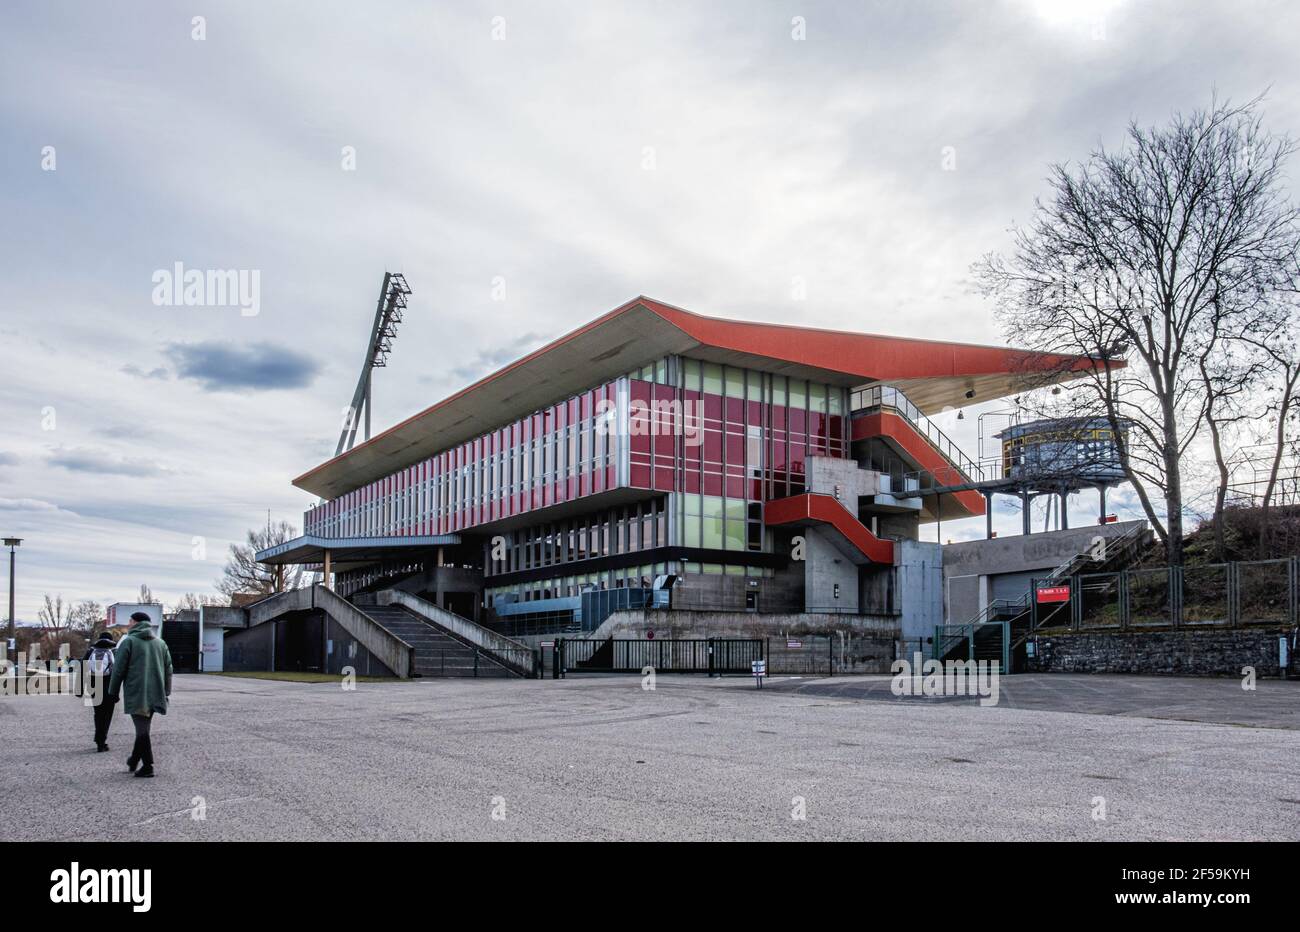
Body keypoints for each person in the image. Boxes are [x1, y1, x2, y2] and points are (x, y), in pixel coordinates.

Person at [106, 612, 172, 778]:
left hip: (137, 692)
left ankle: (148, 766)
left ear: (135, 622)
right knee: (144, 728)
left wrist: (113, 692)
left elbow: (118, 670)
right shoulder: (161, 643)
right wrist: (166, 692)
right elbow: (168, 669)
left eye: (130, 621)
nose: (128, 624)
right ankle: (134, 760)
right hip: (157, 692)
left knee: (142, 730)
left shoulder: (129, 642)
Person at [81, 632, 118, 752]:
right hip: (109, 688)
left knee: (98, 714)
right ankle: (101, 741)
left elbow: (82, 669)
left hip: (95, 687)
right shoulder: (113, 652)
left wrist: (79, 689)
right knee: (107, 715)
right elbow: (118, 673)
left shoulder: (90, 651)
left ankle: (98, 739)